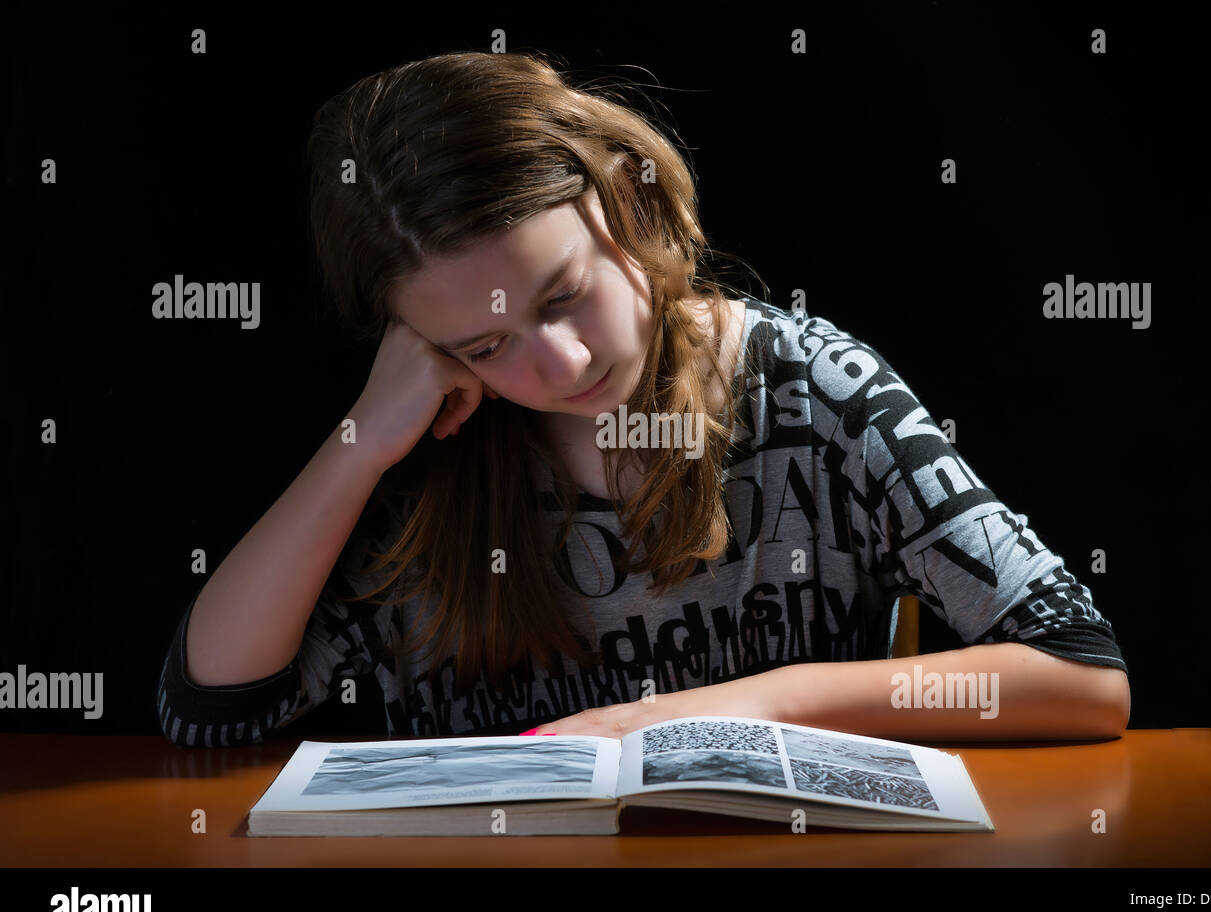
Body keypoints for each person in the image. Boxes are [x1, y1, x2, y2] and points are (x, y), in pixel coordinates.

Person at [156, 51, 1129, 749]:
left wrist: (752, 704)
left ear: (627, 200)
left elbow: (1081, 672)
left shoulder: (814, 391)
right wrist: (362, 443)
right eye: (485, 344)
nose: (562, 363)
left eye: (564, 294)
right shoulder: (427, 445)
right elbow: (212, 707)